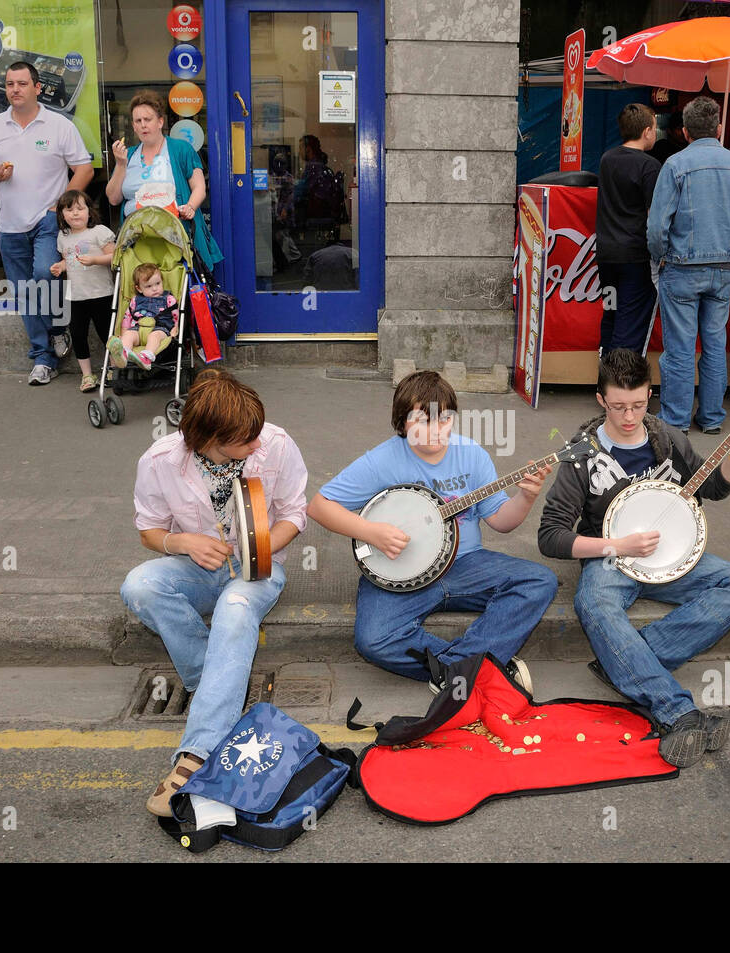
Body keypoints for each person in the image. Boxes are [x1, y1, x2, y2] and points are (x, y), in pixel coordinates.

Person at [537, 349, 730, 768]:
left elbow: (711, 488)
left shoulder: (668, 437)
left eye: (639, 405)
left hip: (671, 557)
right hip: (612, 560)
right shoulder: (581, 454)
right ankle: (678, 711)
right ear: (601, 399)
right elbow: (550, 536)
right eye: (619, 406)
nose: (629, 416)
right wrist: (617, 547)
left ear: (649, 396)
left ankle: (623, 659)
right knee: (594, 604)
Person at [121, 368, 309, 817]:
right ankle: (216, 687)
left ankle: (197, 754)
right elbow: (148, 530)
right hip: (198, 567)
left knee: (237, 604)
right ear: (208, 439)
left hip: (259, 568)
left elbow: (295, 514)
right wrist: (181, 542)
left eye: (256, 434)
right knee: (139, 585)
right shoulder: (159, 460)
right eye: (245, 441)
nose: (257, 445)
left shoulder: (277, 443)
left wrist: (258, 547)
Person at [307, 371, 557, 691]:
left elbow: (501, 522)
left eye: (445, 420)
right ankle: (480, 667)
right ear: (402, 423)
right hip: (402, 573)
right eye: (423, 421)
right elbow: (319, 506)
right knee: (373, 639)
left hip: (466, 564)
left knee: (539, 581)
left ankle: (457, 669)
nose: (436, 431)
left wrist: (526, 496)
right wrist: (370, 532)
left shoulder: (471, 454)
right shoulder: (382, 460)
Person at [0, 60, 93, 386]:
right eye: (10, 84)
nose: (15, 89)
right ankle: (43, 357)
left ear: (37, 88)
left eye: (22, 84)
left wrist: (62, 204)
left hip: (47, 219)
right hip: (9, 224)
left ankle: (55, 328)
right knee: (25, 292)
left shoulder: (58, 125)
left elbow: (84, 169)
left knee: (44, 273)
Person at [647, 96, 730, 434]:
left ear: (684, 131)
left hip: (681, 265)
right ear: (719, 128)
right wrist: (728, 249)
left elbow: (656, 228)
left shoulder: (676, 165)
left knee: (679, 348)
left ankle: (676, 420)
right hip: (722, 267)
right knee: (713, 345)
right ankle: (711, 418)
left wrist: (661, 255)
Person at [105, 91, 223, 272]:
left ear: (160, 122)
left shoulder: (180, 149)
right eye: (138, 121)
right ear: (134, 126)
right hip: (137, 241)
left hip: (175, 238)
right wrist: (121, 164)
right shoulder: (128, 155)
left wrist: (190, 207)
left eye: (148, 119)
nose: (143, 125)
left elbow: (199, 187)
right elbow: (113, 199)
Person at [595, 103, 661, 354]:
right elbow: (653, 215)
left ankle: (605, 378)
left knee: (610, 313)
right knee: (631, 322)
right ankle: (622, 385)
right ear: (646, 131)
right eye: (655, 128)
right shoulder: (649, 166)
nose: (655, 133)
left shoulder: (607, 159)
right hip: (635, 255)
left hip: (607, 254)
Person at [50, 190, 115, 392]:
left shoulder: (99, 232)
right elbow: (69, 260)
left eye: (80, 208)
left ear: (89, 211)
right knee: (78, 335)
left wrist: (96, 260)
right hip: (76, 296)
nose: (75, 213)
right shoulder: (63, 236)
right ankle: (87, 375)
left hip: (101, 293)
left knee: (107, 334)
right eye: (69, 210)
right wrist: (61, 266)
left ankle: (113, 368)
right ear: (62, 214)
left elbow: (115, 257)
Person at [109, 262, 177, 370]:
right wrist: (123, 333)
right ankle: (124, 355)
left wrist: (175, 329)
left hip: (160, 329)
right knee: (129, 335)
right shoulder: (135, 300)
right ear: (139, 288)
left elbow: (176, 317)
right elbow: (127, 317)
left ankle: (146, 358)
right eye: (149, 286)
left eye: (158, 283)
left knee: (154, 336)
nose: (155, 289)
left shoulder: (168, 299)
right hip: (138, 329)